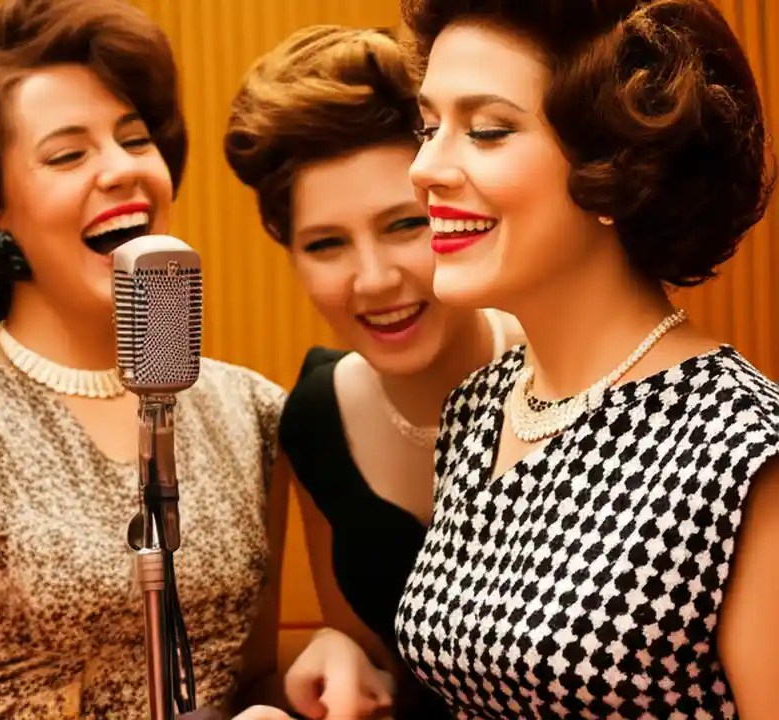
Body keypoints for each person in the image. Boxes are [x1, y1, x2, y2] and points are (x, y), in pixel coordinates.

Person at [296, 0, 779, 717]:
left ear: (614, 162)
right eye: (429, 128)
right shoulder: (482, 405)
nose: (425, 168)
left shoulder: (739, 449)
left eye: (487, 131)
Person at [0, 0, 292, 717]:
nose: (120, 170)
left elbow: (254, 674)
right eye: (67, 154)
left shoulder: (253, 413)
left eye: (134, 139)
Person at [224, 25, 523, 720]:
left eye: (403, 225)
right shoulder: (317, 417)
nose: (374, 279)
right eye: (326, 244)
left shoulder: (565, 378)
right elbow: (375, 668)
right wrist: (339, 651)